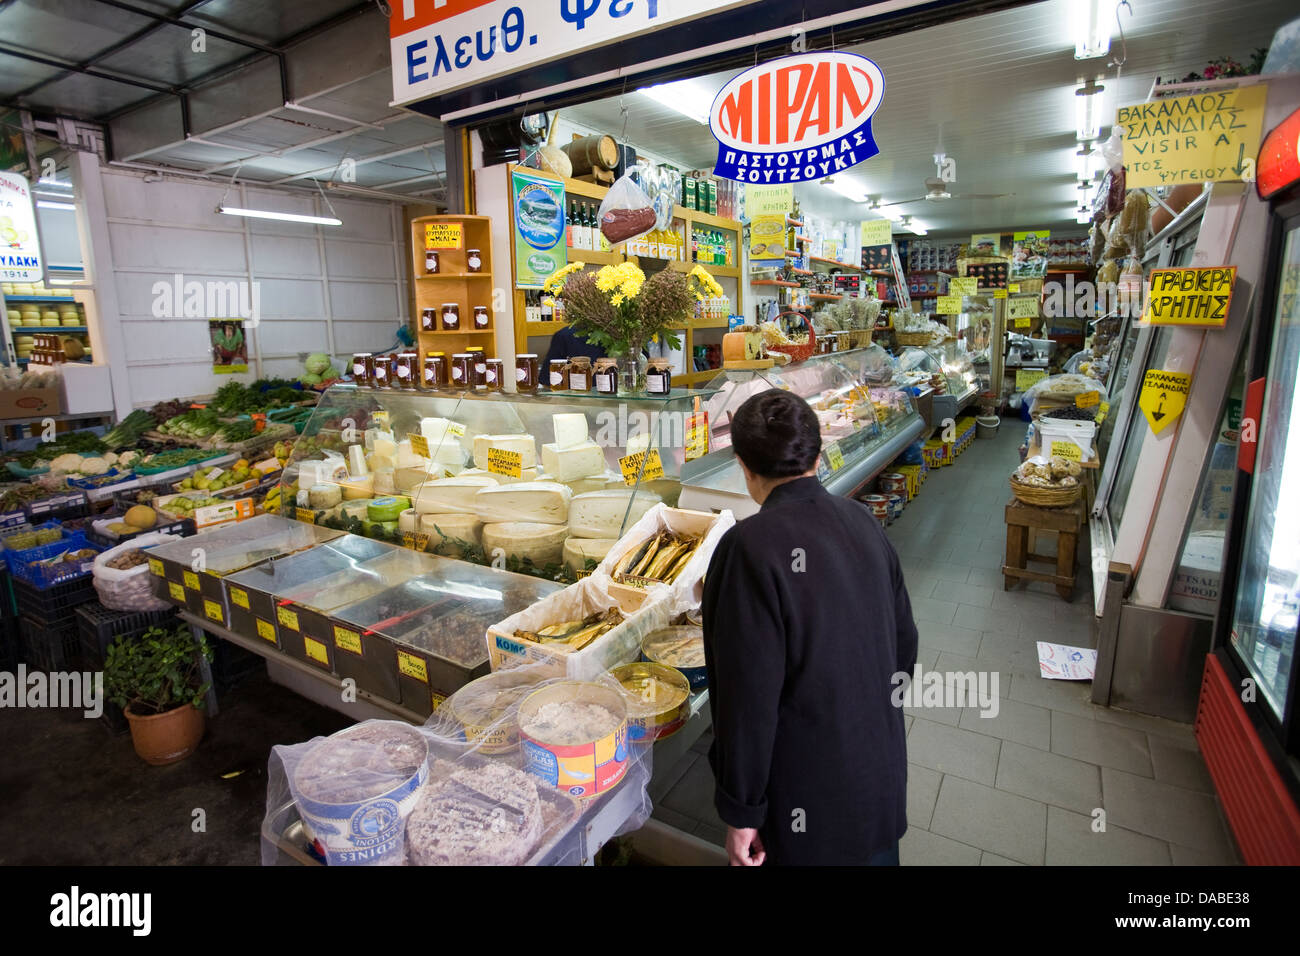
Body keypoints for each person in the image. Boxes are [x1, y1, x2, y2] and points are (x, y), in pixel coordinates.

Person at [701, 388, 918, 866]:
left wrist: (741, 810)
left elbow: (747, 701)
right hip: (876, 781)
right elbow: (904, 649)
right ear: (818, 456)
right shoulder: (864, 522)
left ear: (743, 465)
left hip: (804, 800)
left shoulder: (747, 548)